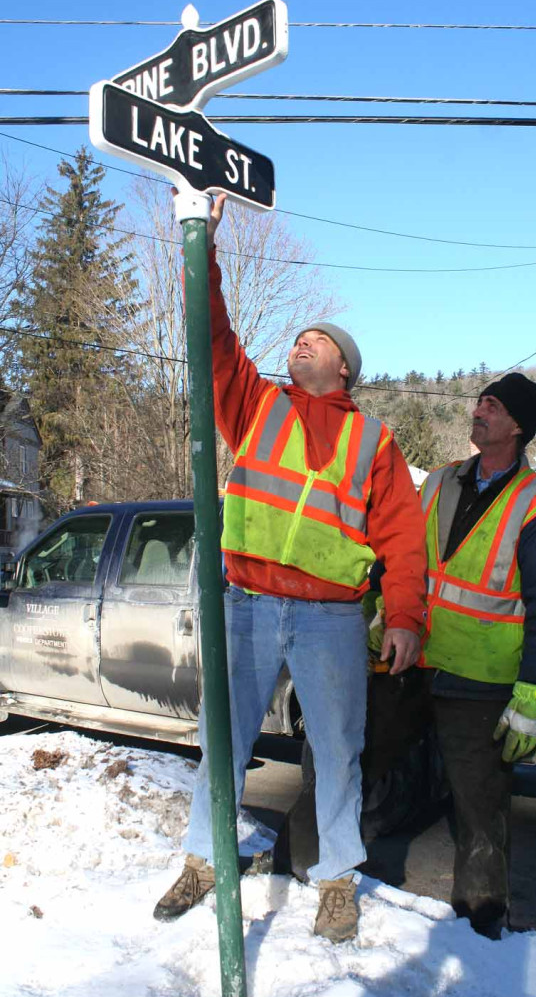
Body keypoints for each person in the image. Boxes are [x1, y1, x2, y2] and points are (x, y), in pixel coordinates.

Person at [154, 194, 427, 942]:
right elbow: (209, 332)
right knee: (224, 741)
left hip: (332, 619)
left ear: (343, 366)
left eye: (316, 339)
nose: (299, 344)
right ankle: (204, 858)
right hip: (245, 604)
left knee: (337, 752)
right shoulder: (251, 404)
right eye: (297, 337)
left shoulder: (374, 440)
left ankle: (335, 880)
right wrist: (199, 241)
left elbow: (403, 538)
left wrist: (403, 616)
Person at [410, 373, 536, 939]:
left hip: (481, 684)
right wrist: (380, 615)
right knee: (353, 764)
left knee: (480, 814)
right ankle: (312, 871)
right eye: (479, 400)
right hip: (410, 663)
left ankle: (481, 928)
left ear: (519, 427)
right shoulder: (435, 483)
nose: (478, 410)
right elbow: (401, 560)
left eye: (493, 405)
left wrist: (534, 693)